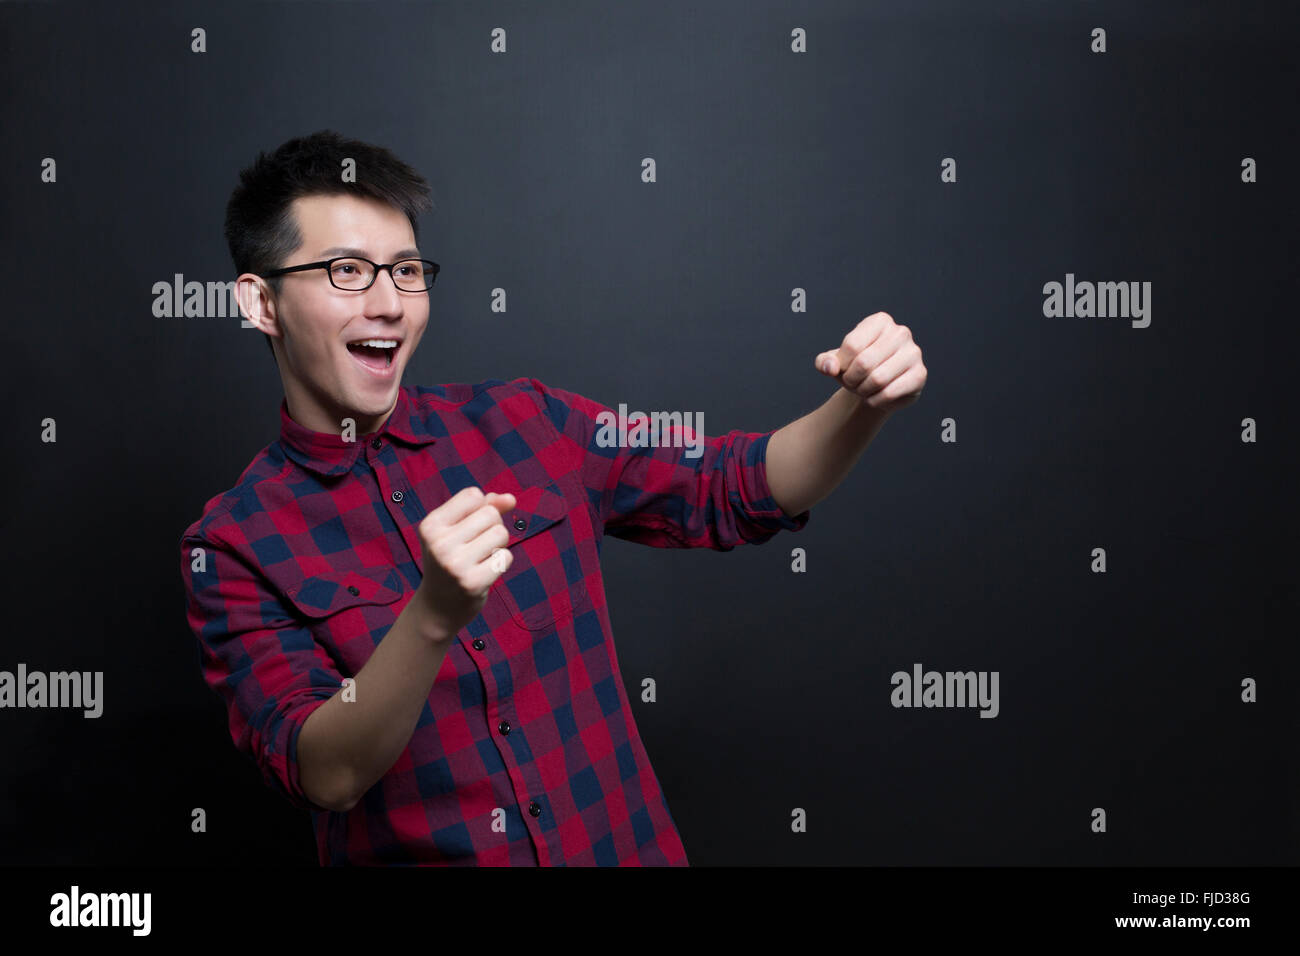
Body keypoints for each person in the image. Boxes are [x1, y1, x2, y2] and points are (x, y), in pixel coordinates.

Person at [179, 129, 926, 865]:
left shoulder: (526, 421)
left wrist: (864, 403)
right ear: (260, 302)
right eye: (347, 271)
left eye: (407, 271)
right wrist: (432, 616)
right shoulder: (233, 546)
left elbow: (737, 484)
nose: (389, 304)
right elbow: (326, 773)